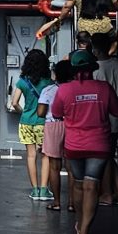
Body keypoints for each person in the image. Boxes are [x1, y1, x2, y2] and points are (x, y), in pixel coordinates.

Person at [51, 51, 118, 234]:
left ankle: (79, 223)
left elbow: (56, 113)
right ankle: (84, 233)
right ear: (93, 68)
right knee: (92, 186)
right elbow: (117, 111)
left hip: (74, 145)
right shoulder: (104, 88)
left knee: (79, 184)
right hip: (99, 144)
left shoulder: (64, 90)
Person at [89, 28, 118, 207]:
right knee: (109, 156)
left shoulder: (95, 70)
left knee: (104, 157)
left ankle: (107, 194)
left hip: (102, 118)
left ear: (95, 50)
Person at [10, 48, 52, 202]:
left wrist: (24, 113)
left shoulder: (22, 81)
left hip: (26, 122)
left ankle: (34, 190)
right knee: (46, 155)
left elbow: (14, 103)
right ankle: (44, 190)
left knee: (31, 155)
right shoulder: (48, 82)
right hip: (43, 123)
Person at [39, 58, 70, 211]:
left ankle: (57, 202)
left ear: (56, 74)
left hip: (52, 125)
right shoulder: (74, 89)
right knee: (71, 167)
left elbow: (40, 112)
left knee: (54, 166)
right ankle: (72, 203)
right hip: (71, 126)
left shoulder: (48, 90)